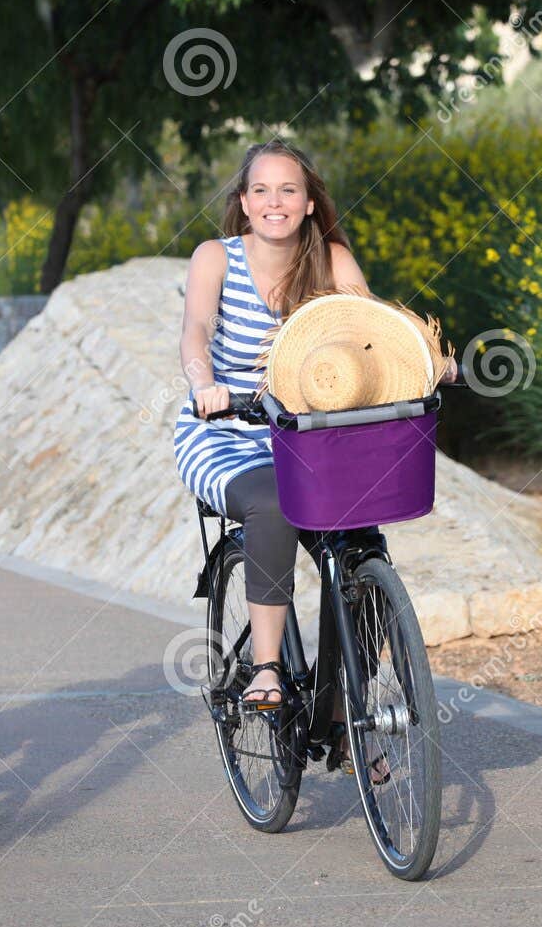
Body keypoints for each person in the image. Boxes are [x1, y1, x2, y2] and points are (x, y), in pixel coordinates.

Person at [172, 139, 455, 771]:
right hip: (227, 431)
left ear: (309, 202)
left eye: (289, 190)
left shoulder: (331, 260)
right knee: (273, 507)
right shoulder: (215, 258)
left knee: (362, 548)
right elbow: (195, 329)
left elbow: (374, 334)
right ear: (244, 204)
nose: (276, 202)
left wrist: (433, 364)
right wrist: (202, 386)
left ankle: (342, 714)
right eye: (263, 191)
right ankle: (267, 669)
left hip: (312, 438)